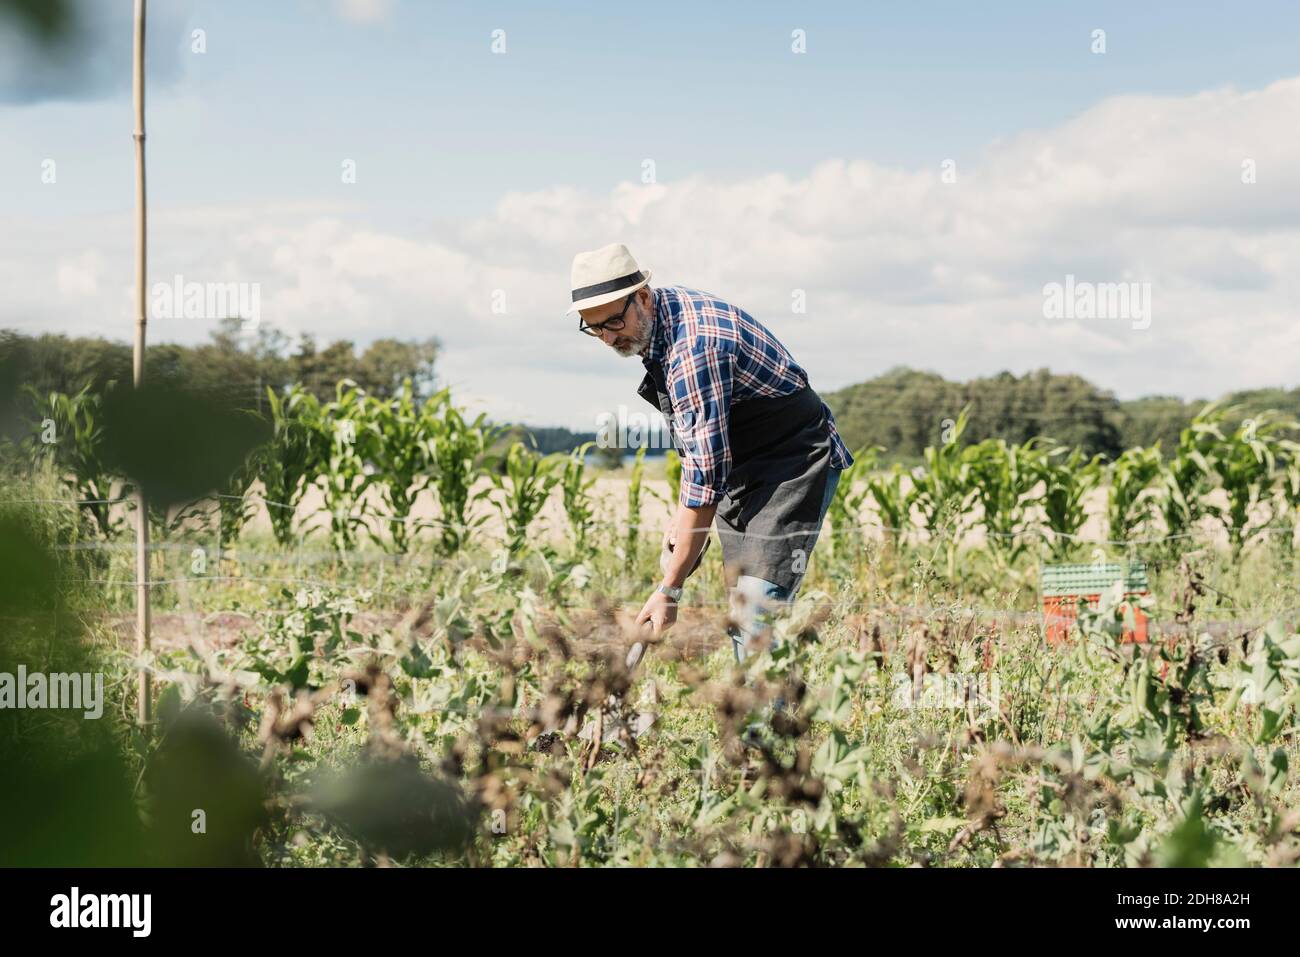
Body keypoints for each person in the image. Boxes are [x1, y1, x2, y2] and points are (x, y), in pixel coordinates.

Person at [568, 243, 852, 662]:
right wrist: (681, 520)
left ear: (642, 297)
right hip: (742, 465)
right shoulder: (660, 321)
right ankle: (766, 715)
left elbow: (705, 481)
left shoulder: (694, 350)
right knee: (743, 604)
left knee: (756, 607)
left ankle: (762, 725)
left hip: (791, 463)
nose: (610, 338)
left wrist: (670, 590)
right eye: (595, 328)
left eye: (614, 321)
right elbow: (699, 448)